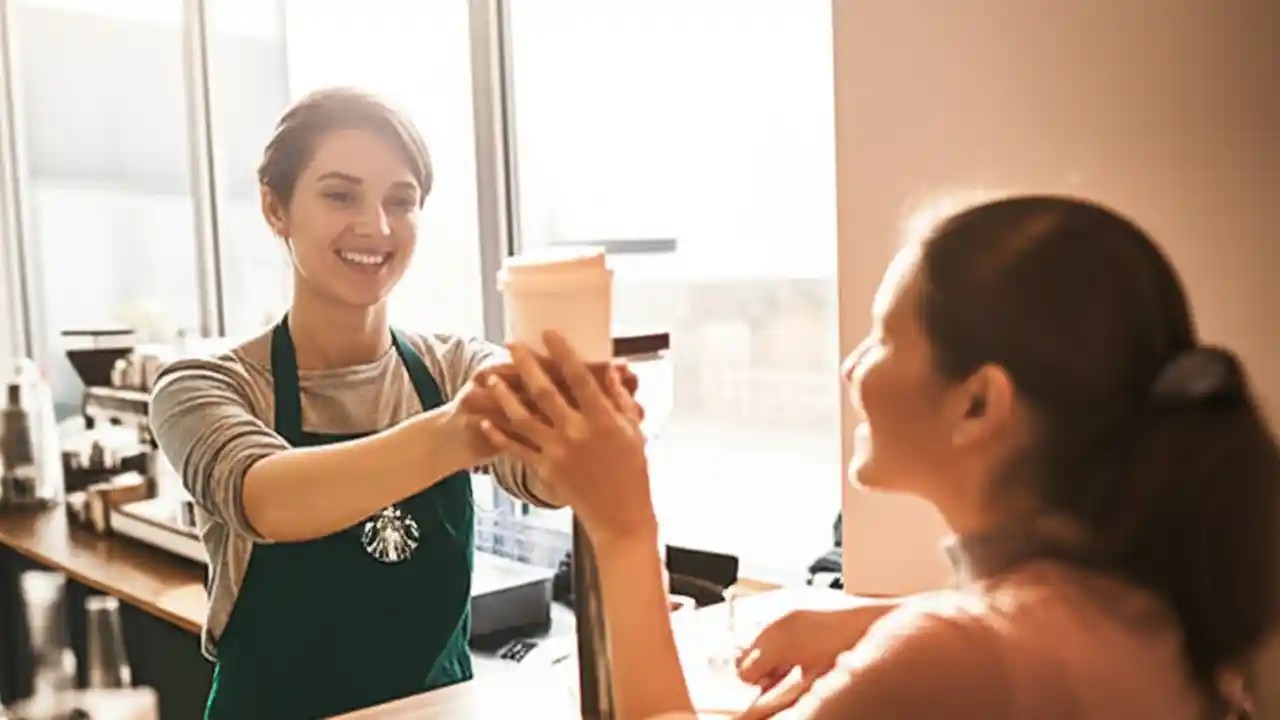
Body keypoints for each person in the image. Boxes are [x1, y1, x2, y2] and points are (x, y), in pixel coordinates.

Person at [479, 195, 1280, 719]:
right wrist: (864, 622)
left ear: (978, 403)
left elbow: (971, 653)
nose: (852, 366)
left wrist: (622, 528)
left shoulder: (956, 658)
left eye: (884, 337)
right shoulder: (1156, 603)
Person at [149, 88, 625, 719]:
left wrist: (583, 423)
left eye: (400, 201)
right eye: (340, 195)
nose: (376, 226)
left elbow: (542, 477)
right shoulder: (206, 385)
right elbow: (267, 499)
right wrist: (455, 433)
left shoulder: (454, 367)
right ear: (275, 208)